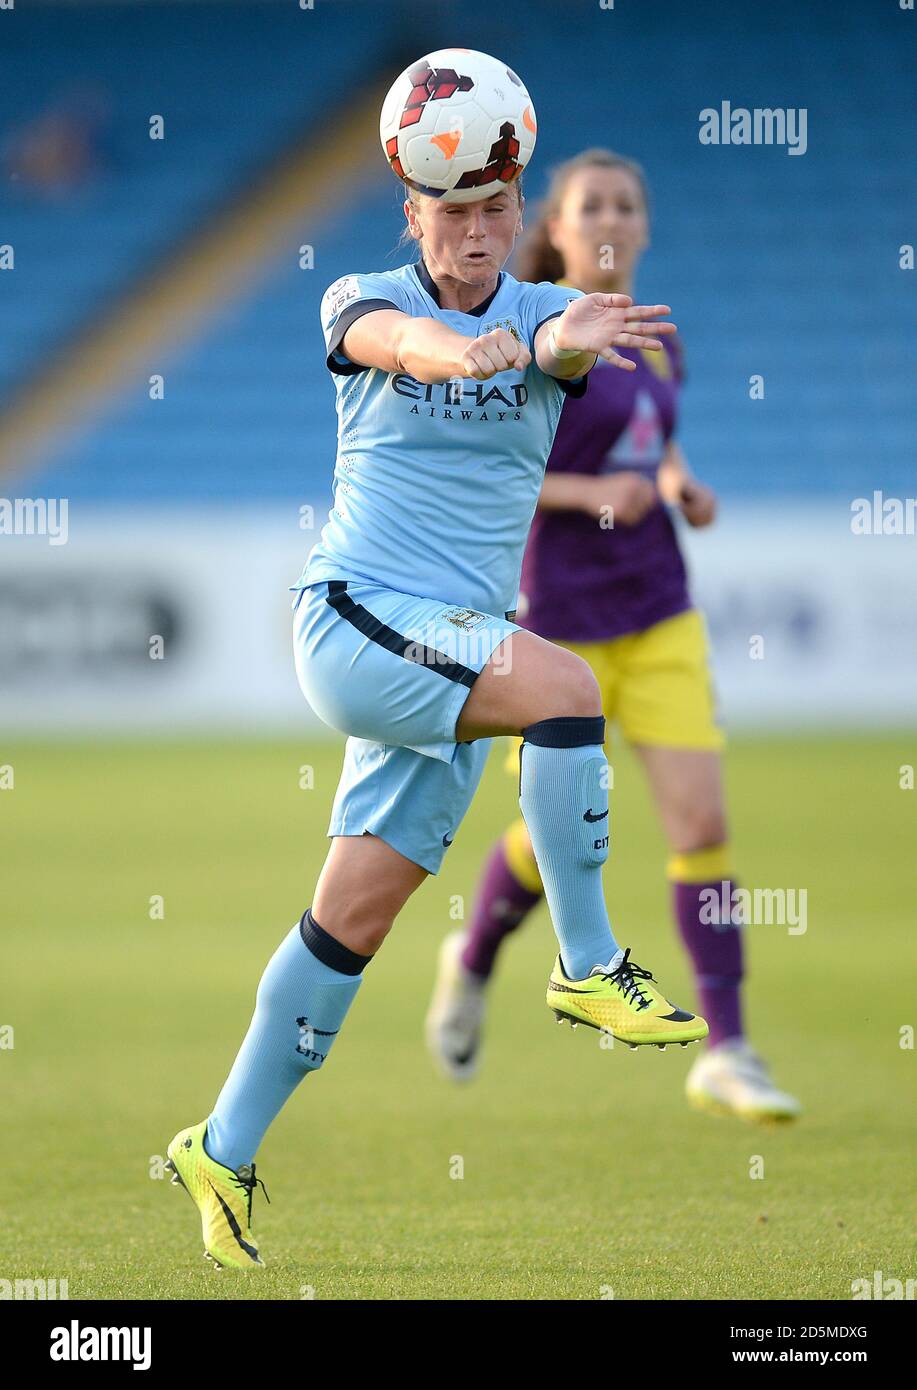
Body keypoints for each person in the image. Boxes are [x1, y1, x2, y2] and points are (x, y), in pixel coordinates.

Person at [165, 163, 708, 1271]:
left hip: (453, 645)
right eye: (450, 209)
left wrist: (558, 333)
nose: (473, 228)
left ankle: (219, 1148)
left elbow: (556, 346)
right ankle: (585, 965)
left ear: (520, 219)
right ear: (411, 215)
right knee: (565, 692)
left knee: (348, 924)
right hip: (358, 619)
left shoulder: (542, 312)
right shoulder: (357, 295)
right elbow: (393, 344)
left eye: (494, 208)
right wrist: (455, 350)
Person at [425, 148, 800, 1127]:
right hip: (560, 630)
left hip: (658, 609)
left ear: (640, 226)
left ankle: (726, 1047)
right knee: (551, 842)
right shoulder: (543, 334)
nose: (609, 216)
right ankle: (467, 962)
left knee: (700, 828)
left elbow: (656, 439)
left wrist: (677, 485)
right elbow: (491, 472)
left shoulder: (660, 339)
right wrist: (592, 494)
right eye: (589, 202)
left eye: (625, 203)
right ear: (556, 223)